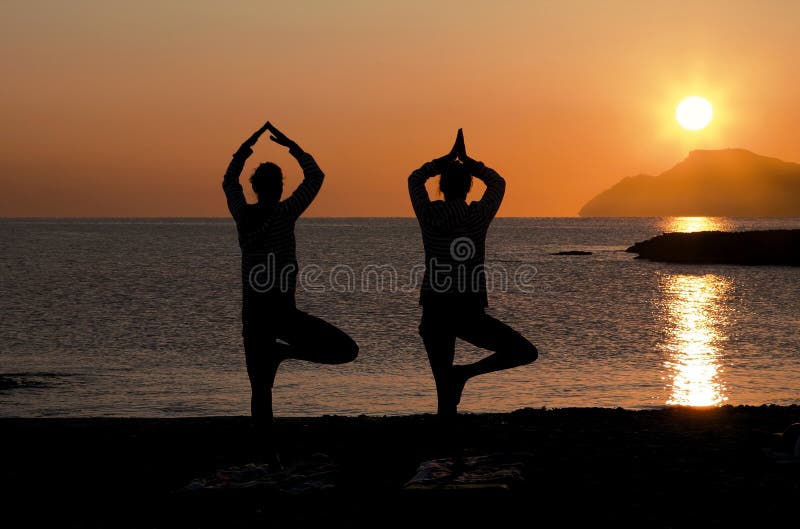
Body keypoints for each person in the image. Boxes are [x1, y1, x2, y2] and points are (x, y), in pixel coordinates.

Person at [223, 121, 358, 465]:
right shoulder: (284, 213)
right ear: (279, 188)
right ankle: (285, 355)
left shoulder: (243, 216)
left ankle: (267, 456)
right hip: (281, 312)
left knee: (260, 390)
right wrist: (293, 147)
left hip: (254, 315)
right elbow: (315, 177)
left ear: (255, 188)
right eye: (281, 184)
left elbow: (228, 182)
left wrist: (246, 146)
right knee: (346, 350)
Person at [408, 129, 538, 419]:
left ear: (441, 187)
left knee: (444, 392)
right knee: (525, 352)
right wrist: (470, 163)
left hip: (436, 308)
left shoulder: (430, 216)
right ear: (469, 188)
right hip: (468, 309)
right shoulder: (477, 216)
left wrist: (442, 162)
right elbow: (497, 182)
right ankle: (465, 375)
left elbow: (415, 179)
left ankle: (446, 444)